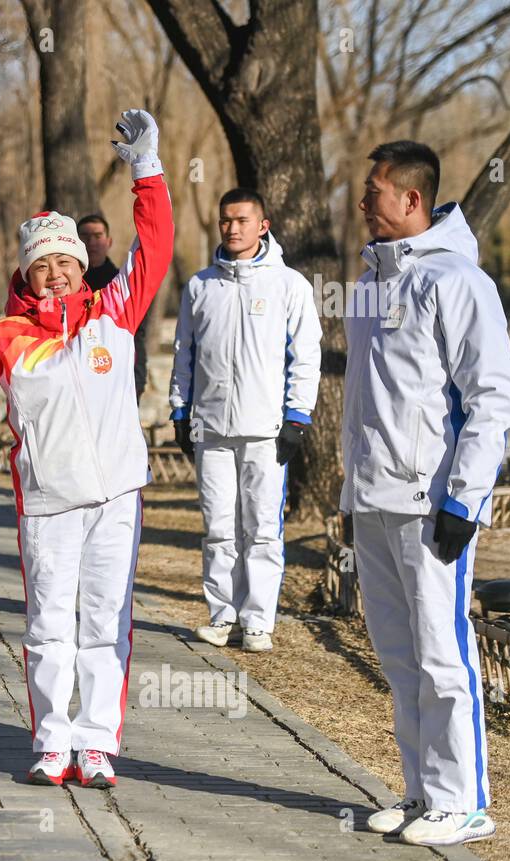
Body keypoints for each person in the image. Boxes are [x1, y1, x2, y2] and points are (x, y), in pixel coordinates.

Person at [0, 110, 173, 788]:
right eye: (41, 265)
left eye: (64, 263)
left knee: (107, 623)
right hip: (48, 503)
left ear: (81, 266)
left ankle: (96, 743)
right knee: (50, 627)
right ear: (26, 273)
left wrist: (147, 170)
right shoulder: (9, 336)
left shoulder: (114, 312)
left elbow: (155, 247)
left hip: (116, 498)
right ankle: (52, 742)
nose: (54, 275)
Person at [344, 141, 510, 846]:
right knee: (399, 653)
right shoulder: (370, 282)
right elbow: (365, 399)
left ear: (411, 200)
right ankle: (422, 793)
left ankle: (465, 802)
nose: (364, 203)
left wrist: (464, 500)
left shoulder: (457, 281)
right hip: (375, 499)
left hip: (430, 504)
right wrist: (352, 488)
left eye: (374, 192)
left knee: (444, 654)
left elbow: (494, 397)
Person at [169, 188, 321, 652]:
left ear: (263, 225)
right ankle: (222, 615)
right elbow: (183, 354)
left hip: (266, 431)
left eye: (241, 220)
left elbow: (306, 357)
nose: (232, 228)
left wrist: (297, 418)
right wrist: (180, 410)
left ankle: (258, 621)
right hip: (211, 429)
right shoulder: (199, 286)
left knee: (261, 529)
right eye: (225, 221)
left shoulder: (289, 285)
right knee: (218, 528)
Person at [79, 213, 150, 400]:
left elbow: (138, 334)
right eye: (85, 237)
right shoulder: (67, 287)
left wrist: (138, 377)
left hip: (119, 377)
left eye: (97, 236)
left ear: (109, 242)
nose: (91, 243)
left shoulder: (121, 284)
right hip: (78, 378)